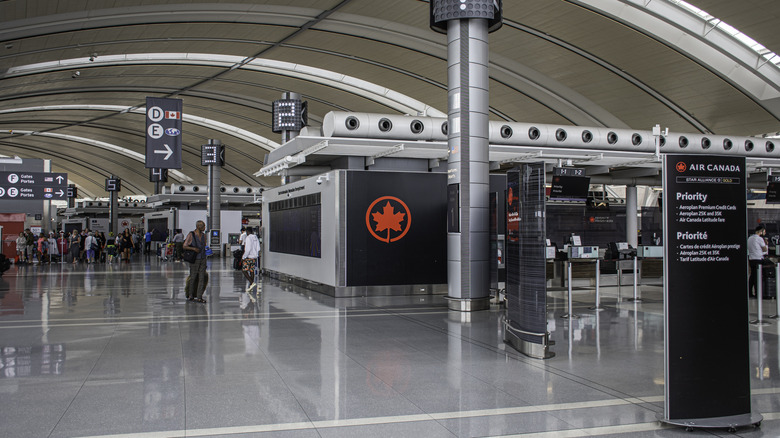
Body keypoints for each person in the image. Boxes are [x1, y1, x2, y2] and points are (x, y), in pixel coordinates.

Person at [183, 220, 209, 303]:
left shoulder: (204, 236)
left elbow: (204, 245)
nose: (204, 228)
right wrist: (193, 248)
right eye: (203, 226)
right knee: (193, 277)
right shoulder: (191, 235)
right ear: (198, 226)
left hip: (203, 258)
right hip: (194, 259)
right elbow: (185, 246)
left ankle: (199, 296)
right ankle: (190, 295)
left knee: (202, 277)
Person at [748, 225, 769, 298]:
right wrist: (766, 243)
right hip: (758, 259)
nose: (764, 233)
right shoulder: (759, 239)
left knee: (752, 276)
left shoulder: (749, 238)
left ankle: (750, 293)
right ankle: (758, 293)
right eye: (764, 231)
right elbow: (765, 250)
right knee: (758, 277)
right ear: (761, 231)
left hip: (751, 259)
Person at [241, 227, 260, 291]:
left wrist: (243, 257)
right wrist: (256, 254)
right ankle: (251, 286)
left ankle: (252, 283)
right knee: (252, 271)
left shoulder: (248, 238)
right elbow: (258, 248)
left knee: (244, 270)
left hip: (248, 257)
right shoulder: (255, 237)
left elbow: (247, 249)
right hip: (254, 257)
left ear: (247, 232)